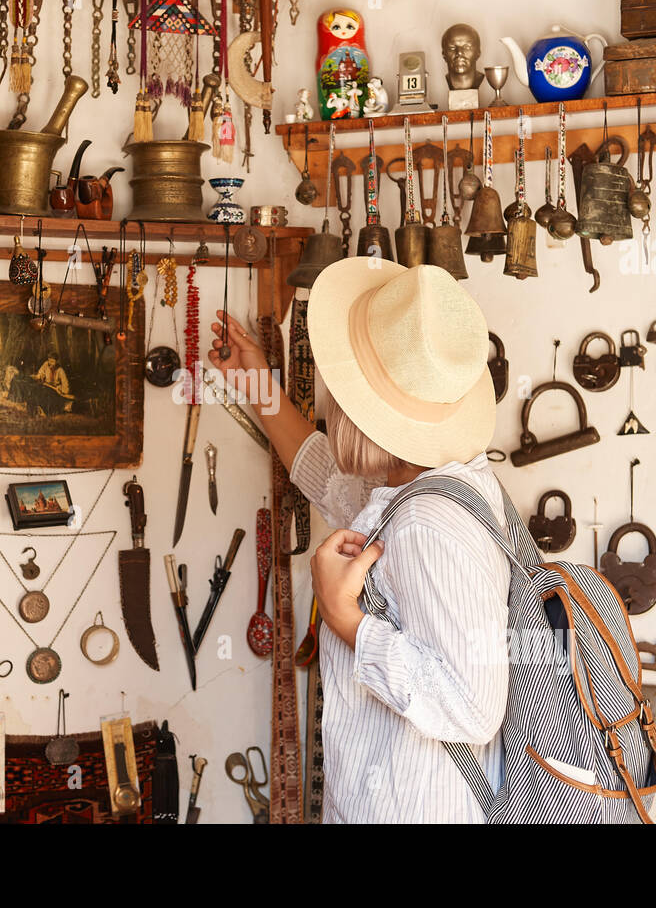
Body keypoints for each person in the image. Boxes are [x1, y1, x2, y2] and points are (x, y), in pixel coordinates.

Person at [207, 260, 509, 823]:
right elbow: (326, 478)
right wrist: (256, 383)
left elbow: (474, 708)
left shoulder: (428, 524)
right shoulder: (419, 485)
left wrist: (346, 617)